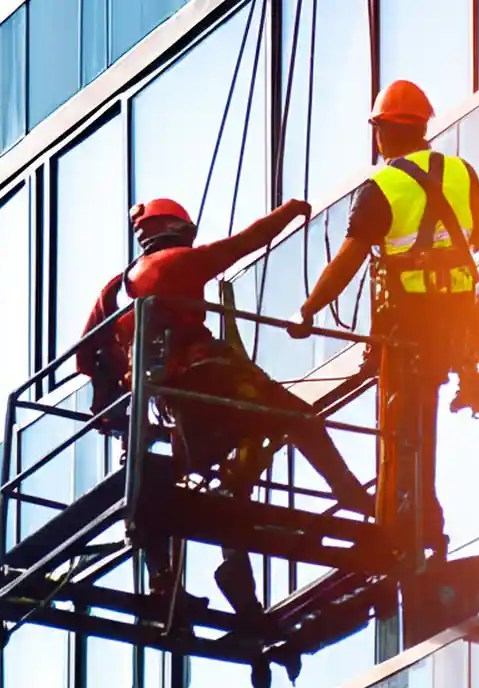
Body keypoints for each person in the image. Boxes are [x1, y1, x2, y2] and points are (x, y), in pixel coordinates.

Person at [76, 197, 375, 627]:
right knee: (297, 419)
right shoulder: (176, 263)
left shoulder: (113, 293)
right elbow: (246, 242)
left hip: (168, 403)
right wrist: (289, 211)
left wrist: (113, 400)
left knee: (171, 484)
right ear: (176, 231)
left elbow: (86, 355)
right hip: (209, 379)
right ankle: (347, 491)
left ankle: (174, 580)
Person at [288, 79, 479, 558]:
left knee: (404, 425)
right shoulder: (462, 172)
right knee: (419, 418)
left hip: (410, 326)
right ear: (423, 127)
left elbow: (347, 262)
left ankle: (413, 515)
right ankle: (421, 514)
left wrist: (308, 311)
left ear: (381, 132)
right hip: (461, 320)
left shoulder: (381, 186)